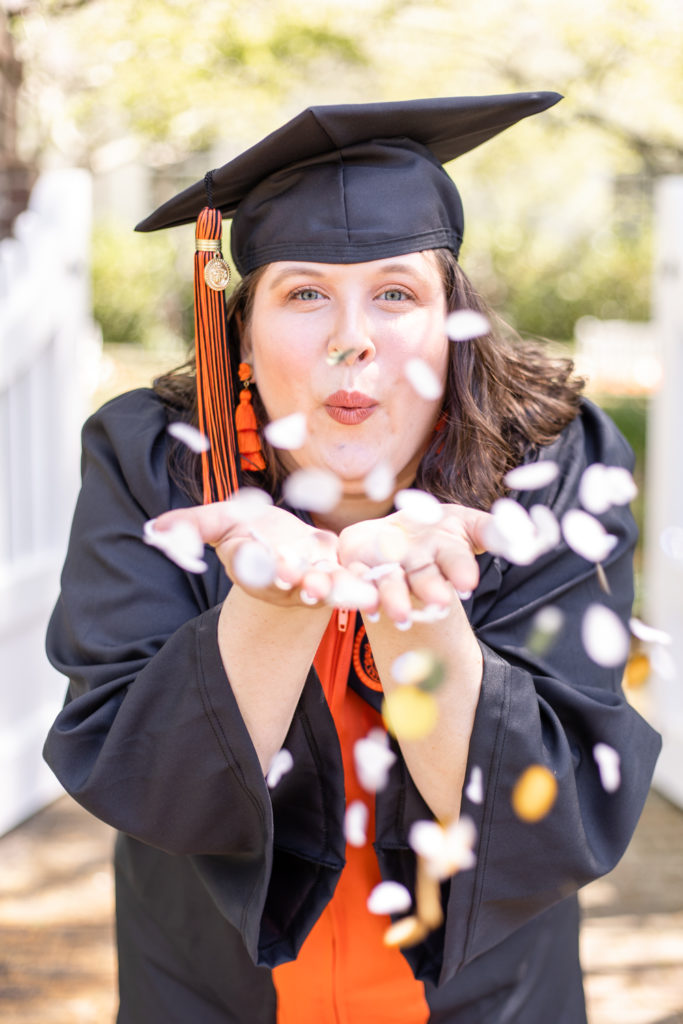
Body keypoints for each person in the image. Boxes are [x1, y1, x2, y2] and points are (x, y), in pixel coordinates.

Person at [44, 93, 660, 1023]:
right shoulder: (156, 463)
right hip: (212, 986)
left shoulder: (548, 464)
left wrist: (415, 611)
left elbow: (549, 819)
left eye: (395, 293)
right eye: (304, 294)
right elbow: (149, 790)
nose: (351, 339)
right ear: (239, 331)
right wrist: (274, 604)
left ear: (454, 325)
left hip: (484, 994)